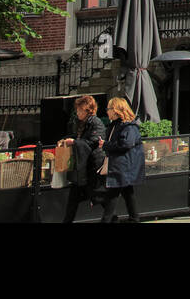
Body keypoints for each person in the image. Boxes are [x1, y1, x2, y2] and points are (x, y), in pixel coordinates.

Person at [60, 95, 106, 223]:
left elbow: (93, 142)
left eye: (80, 110)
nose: (77, 112)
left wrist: (74, 142)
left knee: (99, 198)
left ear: (87, 110)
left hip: (92, 168)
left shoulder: (96, 123)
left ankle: (112, 219)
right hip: (82, 169)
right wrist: (69, 139)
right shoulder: (83, 123)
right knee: (73, 199)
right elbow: (81, 138)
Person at [100, 97, 145, 223]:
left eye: (109, 109)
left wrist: (105, 145)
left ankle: (107, 221)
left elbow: (125, 144)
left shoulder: (129, 126)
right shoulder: (116, 125)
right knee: (127, 193)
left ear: (116, 110)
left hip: (123, 166)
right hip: (121, 165)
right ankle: (134, 218)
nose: (107, 111)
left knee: (112, 195)